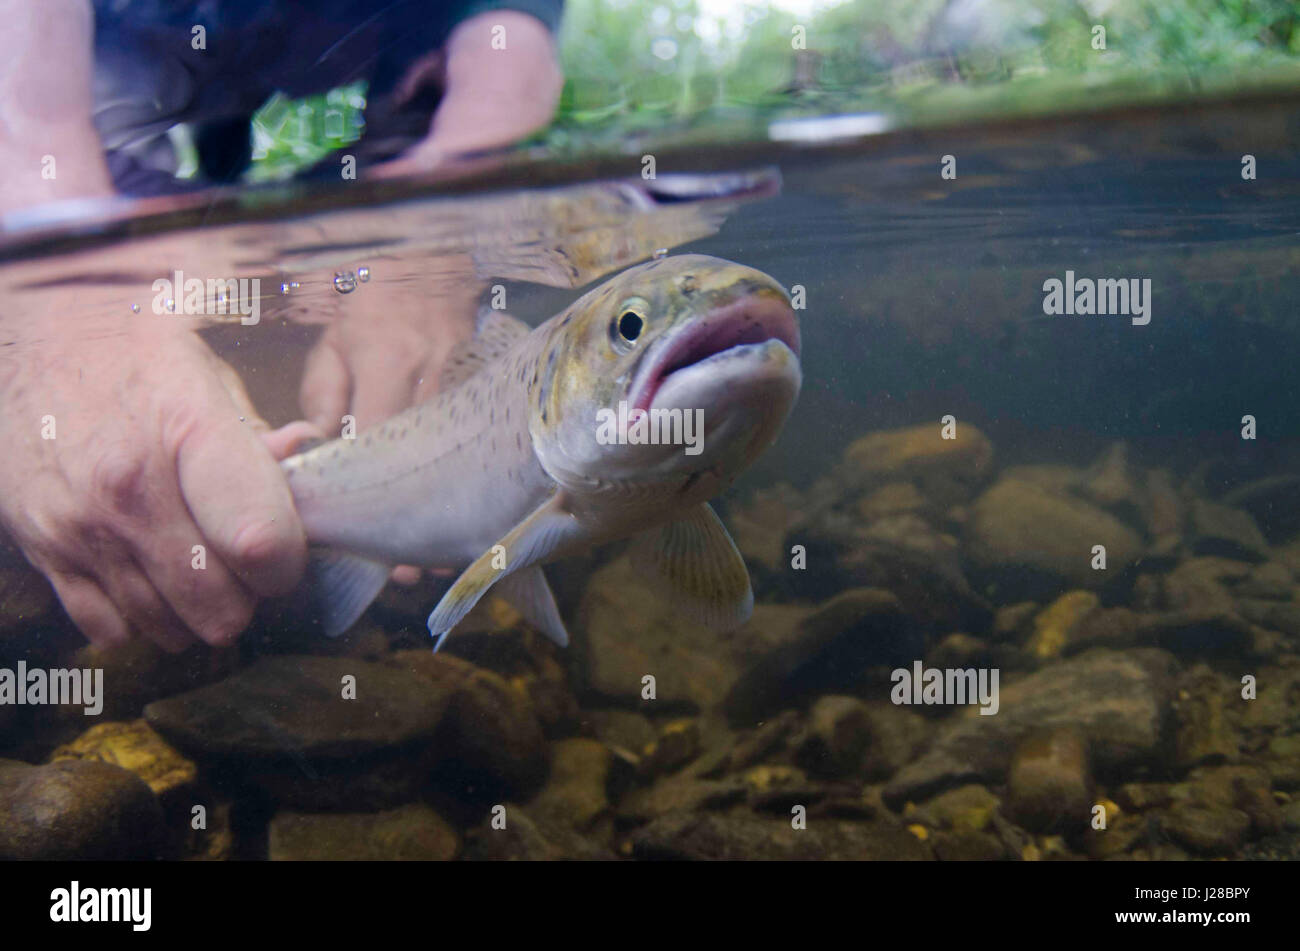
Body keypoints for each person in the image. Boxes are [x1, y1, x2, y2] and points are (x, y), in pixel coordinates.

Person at [0, 0, 565, 652]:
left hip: (385, 79)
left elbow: (510, 44)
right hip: (103, 74)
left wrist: (431, 230)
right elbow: (28, 118)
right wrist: (54, 313)